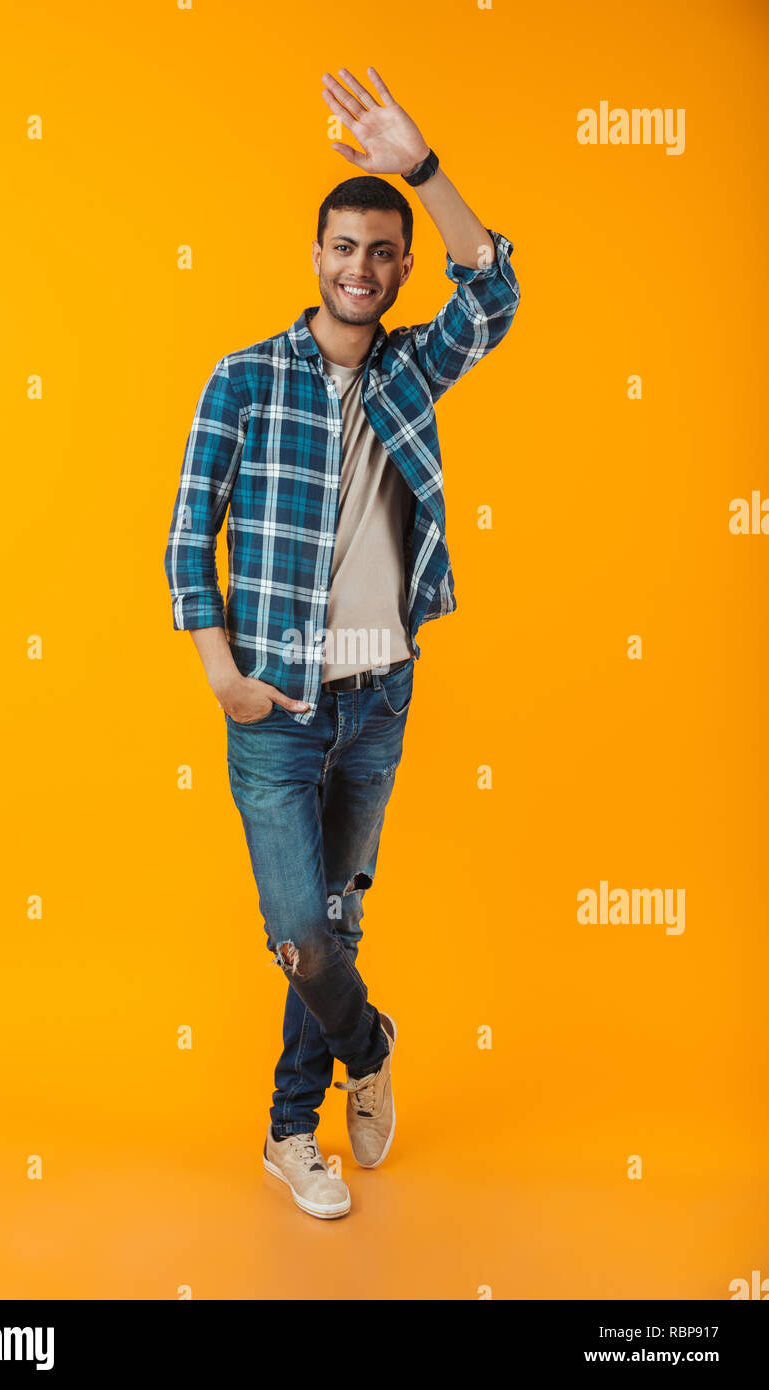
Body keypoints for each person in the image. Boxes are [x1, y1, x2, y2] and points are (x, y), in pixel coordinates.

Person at [164, 65, 520, 1219]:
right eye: (340, 247)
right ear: (313, 255)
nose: (357, 268)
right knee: (302, 938)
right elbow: (186, 534)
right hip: (275, 703)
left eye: (379, 249)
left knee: (340, 919)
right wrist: (221, 671)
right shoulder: (246, 375)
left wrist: (421, 164)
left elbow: (496, 294)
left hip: (376, 697)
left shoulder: (413, 367)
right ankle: (367, 1046)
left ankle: (287, 1133)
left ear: (399, 264)